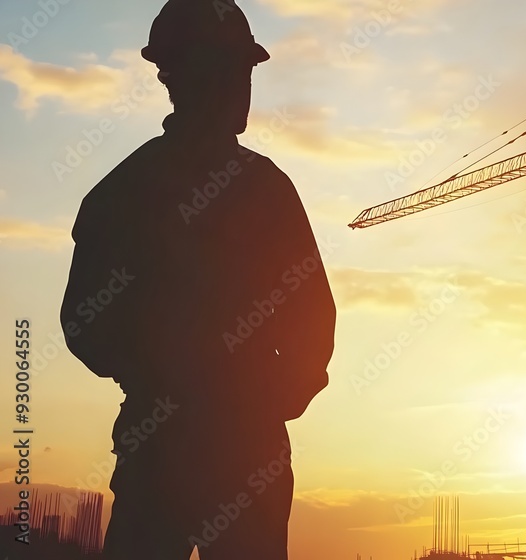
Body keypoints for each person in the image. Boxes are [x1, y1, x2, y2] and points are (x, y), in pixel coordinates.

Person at [59, 0, 336, 558]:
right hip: (198, 453)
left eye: (245, 75)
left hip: (203, 450)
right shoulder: (258, 191)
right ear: (179, 77)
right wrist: (254, 397)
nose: (242, 90)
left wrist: (257, 400)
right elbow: (83, 321)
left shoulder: (124, 192)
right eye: (230, 73)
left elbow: (312, 317)